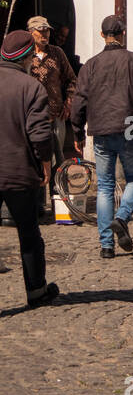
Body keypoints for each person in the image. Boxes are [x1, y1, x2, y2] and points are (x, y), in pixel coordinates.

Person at [70, 15, 133, 260]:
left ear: (103, 35)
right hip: (129, 125)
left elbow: (79, 101)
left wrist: (77, 132)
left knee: (105, 187)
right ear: (123, 34)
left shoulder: (90, 65)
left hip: (100, 128)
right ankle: (121, 217)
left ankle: (106, 245)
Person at [0, 31, 61, 309]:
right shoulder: (30, 86)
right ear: (26, 57)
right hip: (18, 171)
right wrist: (46, 163)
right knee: (28, 232)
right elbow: (39, 133)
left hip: (14, 170)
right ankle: (36, 290)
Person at [27, 15, 77, 188]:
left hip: (56, 114)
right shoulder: (25, 55)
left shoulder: (57, 53)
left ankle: (58, 198)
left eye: (46, 30)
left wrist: (69, 101)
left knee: (58, 159)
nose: (44, 34)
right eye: (40, 31)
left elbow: (72, 80)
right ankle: (39, 203)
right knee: (36, 158)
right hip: (32, 116)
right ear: (31, 33)